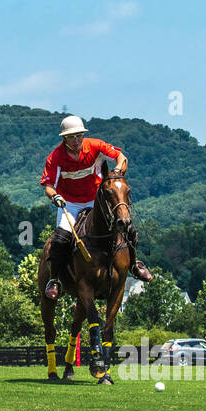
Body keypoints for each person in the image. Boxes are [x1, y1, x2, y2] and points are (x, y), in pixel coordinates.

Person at [40, 115, 153, 301]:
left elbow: (121, 157)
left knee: (127, 227)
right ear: (64, 138)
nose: (76, 140)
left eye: (79, 136)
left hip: (97, 200)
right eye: (71, 137)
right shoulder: (55, 157)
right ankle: (54, 280)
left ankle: (134, 263)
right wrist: (55, 196)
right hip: (70, 204)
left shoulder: (95, 146)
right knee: (60, 239)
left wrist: (117, 172)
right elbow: (48, 185)